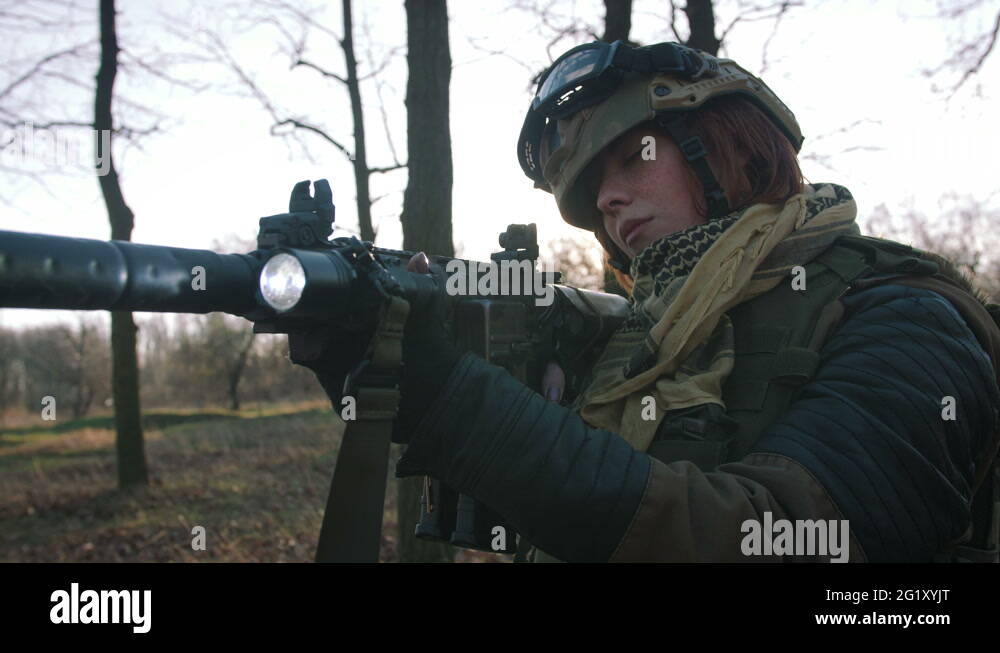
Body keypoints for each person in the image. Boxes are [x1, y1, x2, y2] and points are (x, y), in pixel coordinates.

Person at [328, 41, 1000, 562]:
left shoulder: (907, 316)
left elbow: (785, 536)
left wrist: (471, 414)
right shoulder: (640, 335)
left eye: (632, 158)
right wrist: (397, 370)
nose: (606, 200)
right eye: (594, 189)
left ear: (729, 145)